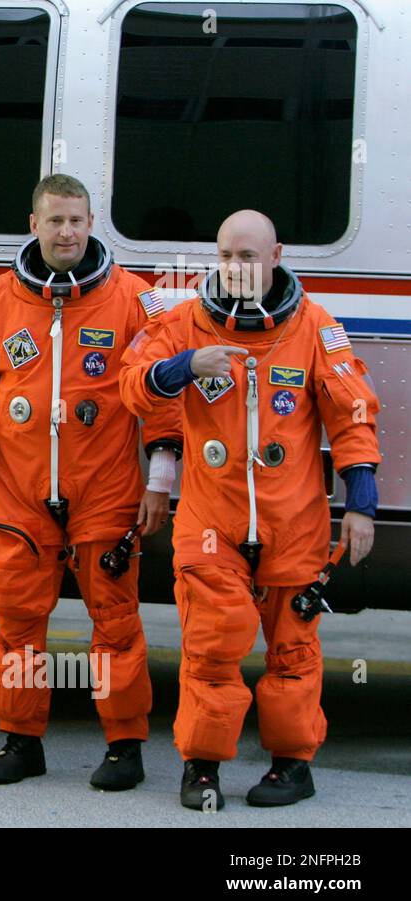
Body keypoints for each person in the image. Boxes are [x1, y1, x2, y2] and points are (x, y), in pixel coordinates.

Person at [120, 209, 380, 809]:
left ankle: (292, 766)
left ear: (276, 255)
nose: (236, 269)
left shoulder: (315, 326)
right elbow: (131, 384)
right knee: (213, 643)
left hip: (295, 524)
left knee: (293, 650)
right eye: (228, 256)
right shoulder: (183, 321)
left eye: (249, 256)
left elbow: (353, 413)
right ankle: (202, 766)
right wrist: (184, 366)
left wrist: (361, 503)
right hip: (214, 521)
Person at [0, 174, 183, 790]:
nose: (67, 231)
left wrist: (160, 477)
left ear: (90, 222)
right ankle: (21, 742)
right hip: (19, 489)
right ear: (34, 225)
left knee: (116, 618)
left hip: (105, 486)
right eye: (55, 221)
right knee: (17, 621)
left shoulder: (134, 298)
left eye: (77, 220)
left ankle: (124, 745)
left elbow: (159, 396)